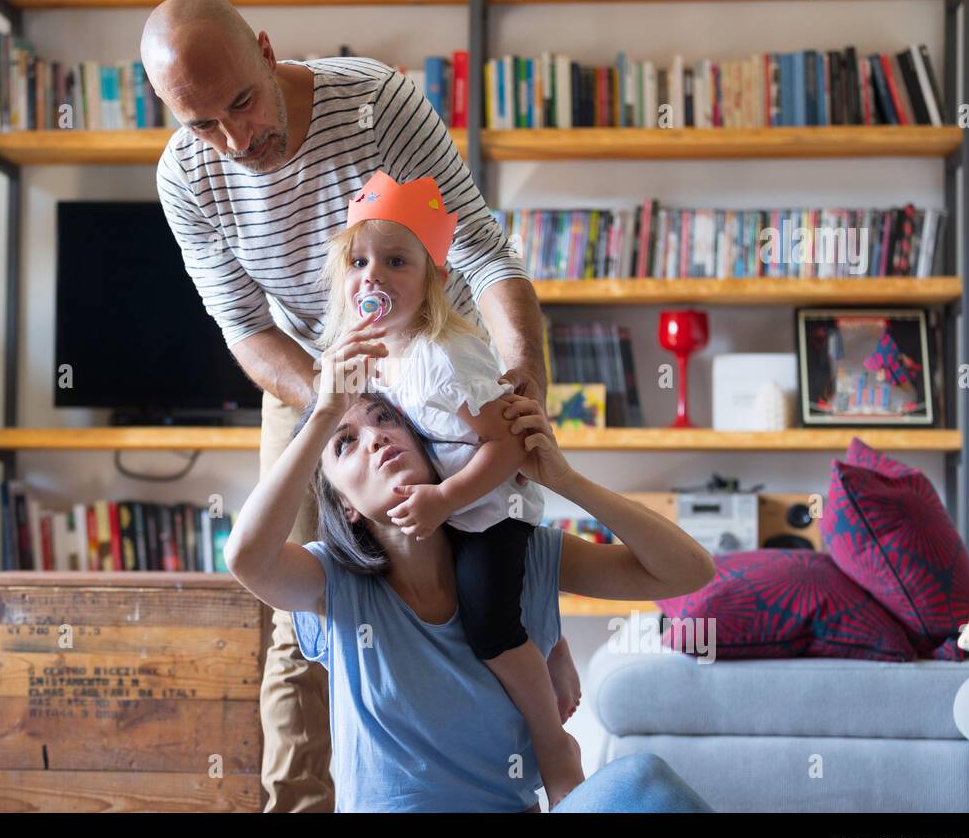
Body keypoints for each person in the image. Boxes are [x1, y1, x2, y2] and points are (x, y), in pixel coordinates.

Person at [142, 0, 550, 812]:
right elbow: (246, 327)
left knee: (477, 562)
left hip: (434, 350)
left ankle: (489, 779)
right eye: (203, 125)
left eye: (243, 104)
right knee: (303, 615)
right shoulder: (187, 177)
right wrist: (341, 411)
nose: (235, 141)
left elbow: (477, 242)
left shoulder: (376, 100)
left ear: (266, 49)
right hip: (309, 370)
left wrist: (522, 373)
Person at [221, 323, 718, 810]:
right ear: (344, 504)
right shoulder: (332, 582)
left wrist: (568, 481)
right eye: (344, 442)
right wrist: (324, 412)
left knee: (642, 781)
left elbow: (687, 571)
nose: (374, 438)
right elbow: (247, 557)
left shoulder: (523, 556)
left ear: (429, 444)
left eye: (385, 419)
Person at [316, 168, 583, 805]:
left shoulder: (441, 356)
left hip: (491, 508)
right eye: (359, 261)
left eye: (397, 261)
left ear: (433, 280)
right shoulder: (389, 356)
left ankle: (552, 741)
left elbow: (507, 445)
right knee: (483, 600)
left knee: (490, 624)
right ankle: (550, 656)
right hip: (460, 510)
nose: (373, 276)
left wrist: (441, 500)